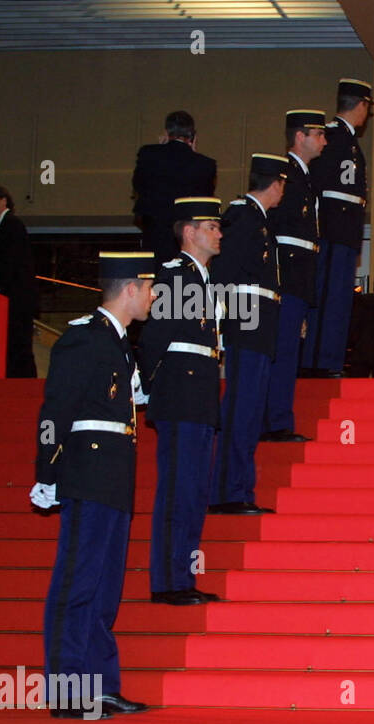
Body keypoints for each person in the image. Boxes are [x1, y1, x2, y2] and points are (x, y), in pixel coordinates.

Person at [31, 251, 156, 719]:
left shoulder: (120, 342)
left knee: (105, 587)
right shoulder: (84, 338)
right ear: (129, 289)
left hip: (115, 474)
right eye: (147, 287)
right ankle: (67, 690)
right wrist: (47, 473)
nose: (153, 295)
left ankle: (100, 685)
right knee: (77, 582)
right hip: (87, 471)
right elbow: (54, 412)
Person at [138, 197, 223, 606]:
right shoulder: (176, 276)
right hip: (180, 390)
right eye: (212, 226)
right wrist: (151, 386)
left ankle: (182, 577)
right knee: (178, 490)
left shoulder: (203, 277)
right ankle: (168, 581)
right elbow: (155, 338)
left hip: (200, 390)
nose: (219, 233)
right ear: (189, 232)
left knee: (193, 491)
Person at [209, 153, 287, 515]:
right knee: (241, 409)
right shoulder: (242, 216)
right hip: (247, 321)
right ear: (276, 184)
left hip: (259, 321)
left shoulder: (258, 219)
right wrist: (227, 324)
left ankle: (238, 488)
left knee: (250, 409)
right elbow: (224, 275)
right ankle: (228, 491)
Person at [263, 109, 326, 442]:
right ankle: (274, 421)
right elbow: (276, 235)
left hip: (298, 277)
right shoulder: (284, 177)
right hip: (287, 276)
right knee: (282, 351)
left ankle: (278, 419)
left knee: (288, 351)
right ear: (300, 137)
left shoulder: (304, 177)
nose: (324, 140)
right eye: (318, 134)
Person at [305, 78, 374, 378]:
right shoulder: (331, 137)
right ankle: (317, 360)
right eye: (367, 108)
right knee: (327, 297)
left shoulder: (349, 142)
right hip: (333, 231)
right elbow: (317, 186)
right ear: (361, 105)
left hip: (345, 233)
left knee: (339, 299)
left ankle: (328, 359)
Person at [131, 111, 217, 267]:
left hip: (154, 234)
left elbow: (138, 185)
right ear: (193, 136)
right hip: (185, 240)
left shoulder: (148, 154)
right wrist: (193, 154)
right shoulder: (205, 165)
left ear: (166, 132)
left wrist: (161, 149)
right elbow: (204, 204)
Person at [0, 183, 38, 377]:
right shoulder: (8, 225)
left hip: (16, 300)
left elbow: (10, 264)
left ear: (3, 201)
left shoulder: (11, 225)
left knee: (18, 345)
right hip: (13, 298)